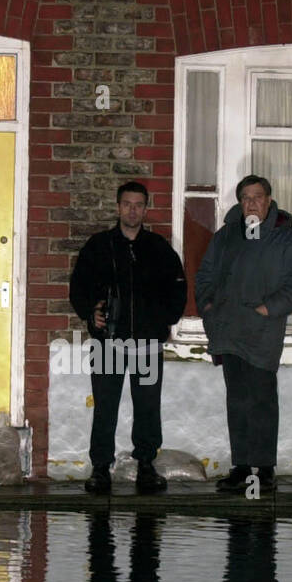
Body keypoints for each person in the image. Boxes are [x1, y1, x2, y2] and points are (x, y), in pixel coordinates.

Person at [195, 175, 292, 493]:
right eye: (245, 198)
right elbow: (205, 275)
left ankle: (263, 471)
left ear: (269, 200)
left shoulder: (286, 239)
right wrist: (208, 307)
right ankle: (242, 467)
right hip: (229, 330)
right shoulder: (226, 236)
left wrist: (266, 309)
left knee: (261, 401)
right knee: (237, 400)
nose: (251, 203)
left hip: (262, 333)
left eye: (257, 197)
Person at [69, 181, 187, 495]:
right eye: (127, 204)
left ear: (145, 209)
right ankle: (100, 469)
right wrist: (90, 312)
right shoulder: (98, 246)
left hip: (147, 344)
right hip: (108, 342)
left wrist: (162, 322)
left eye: (139, 204)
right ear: (118, 206)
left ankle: (146, 466)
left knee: (148, 406)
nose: (133, 210)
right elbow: (78, 287)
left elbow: (178, 289)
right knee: (105, 406)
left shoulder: (159, 249)